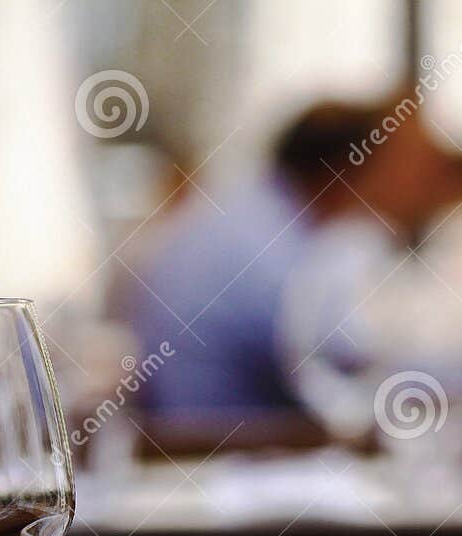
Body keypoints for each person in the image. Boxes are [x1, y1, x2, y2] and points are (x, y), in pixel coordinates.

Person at [119, 97, 462, 423]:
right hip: (222, 454)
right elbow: (357, 366)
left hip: (220, 442)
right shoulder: (265, 248)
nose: (418, 191)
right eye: (402, 170)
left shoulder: (253, 208)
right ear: (352, 167)